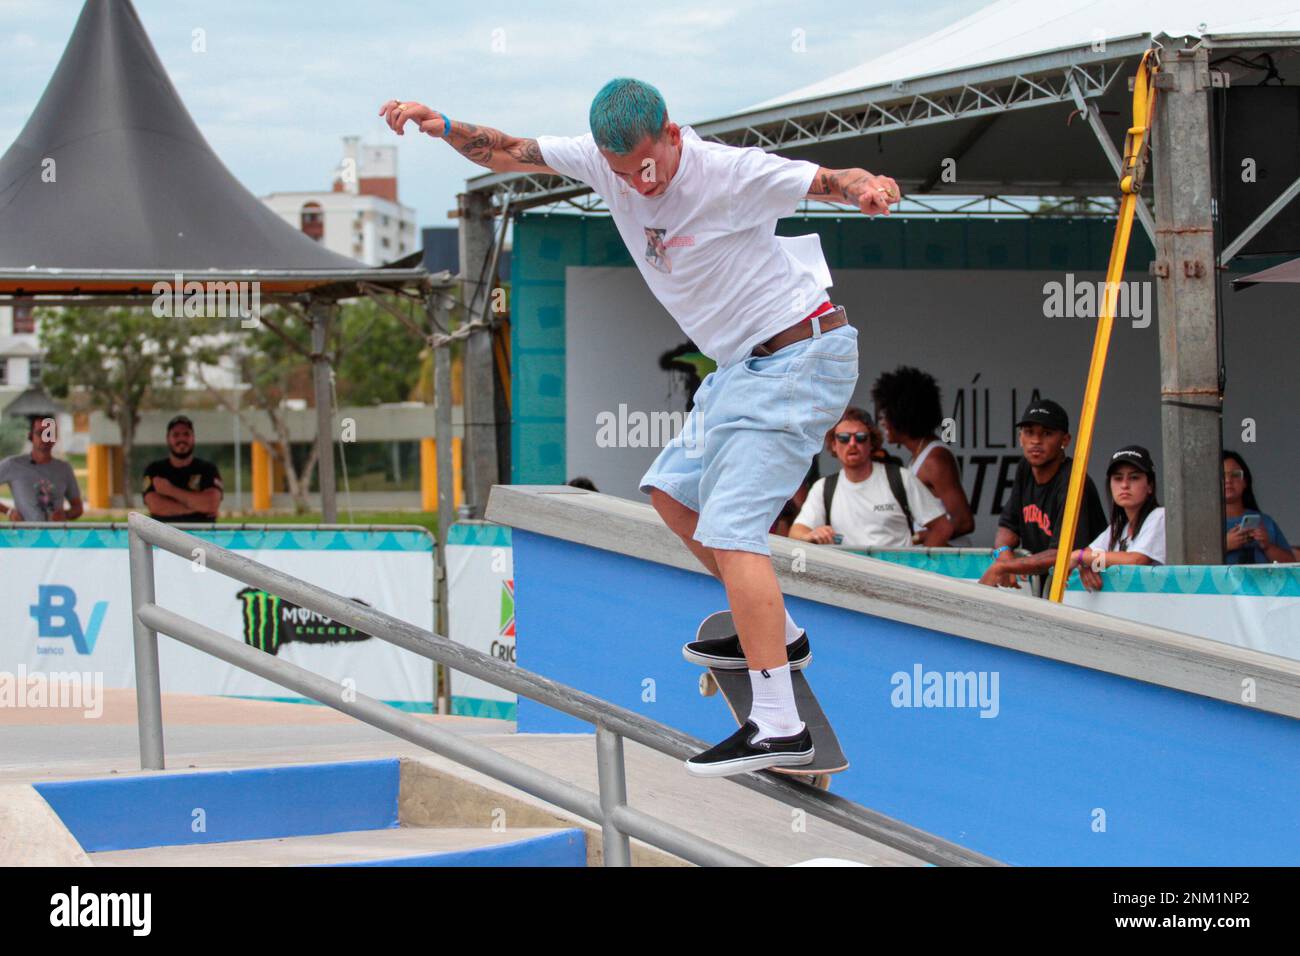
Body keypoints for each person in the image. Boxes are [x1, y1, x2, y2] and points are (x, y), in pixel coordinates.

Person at [380, 79, 902, 776]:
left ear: (673, 133)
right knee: (670, 493)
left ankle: (780, 724)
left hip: (800, 355)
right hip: (739, 371)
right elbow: (506, 151)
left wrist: (869, 190)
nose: (639, 185)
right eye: (622, 174)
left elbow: (833, 180)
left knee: (731, 529)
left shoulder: (728, 171)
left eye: (648, 168)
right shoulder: (601, 162)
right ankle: (781, 635)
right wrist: (441, 123)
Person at [978, 400, 1107, 593]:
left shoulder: (1074, 482)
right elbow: (1008, 526)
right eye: (1029, 432)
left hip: (1089, 589)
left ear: (1065, 440)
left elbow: (1062, 554)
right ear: (1020, 437)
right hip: (1050, 588)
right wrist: (1003, 553)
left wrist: (1005, 567)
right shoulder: (1025, 468)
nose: (1036, 441)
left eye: (1047, 433)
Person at [790, 408, 952, 548]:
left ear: (872, 443)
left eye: (860, 437)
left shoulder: (901, 478)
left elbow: (942, 527)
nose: (852, 444)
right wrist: (811, 535)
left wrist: (922, 566)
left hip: (898, 578)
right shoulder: (823, 487)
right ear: (833, 444)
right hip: (846, 579)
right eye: (844, 438)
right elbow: (796, 532)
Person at [871, 365, 975, 544]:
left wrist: (918, 539)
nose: (882, 423)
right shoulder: (919, 456)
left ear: (902, 414)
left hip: (944, 562)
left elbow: (964, 522)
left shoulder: (935, 459)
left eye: (884, 416)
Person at [1075, 445, 1165, 591]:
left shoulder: (1160, 516)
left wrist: (1081, 558)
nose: (1124, 485)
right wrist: (1085, 562)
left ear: (1150, 485)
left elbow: (1135, 560)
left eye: (1134, 478)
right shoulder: (1117, 527)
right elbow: (1088, 554)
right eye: (1117, 478)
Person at [0, 415, 83, 522]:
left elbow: (77, 508)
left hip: (55, 537)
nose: (46, 438)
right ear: (30, 436)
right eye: (40, 433)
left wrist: (65, 515)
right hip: (26, 536)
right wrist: (8, 511)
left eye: (50, 434)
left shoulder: (64, 468)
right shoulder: (13, 464)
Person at [142, 415, 223, 523]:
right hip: (162, 536)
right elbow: (156, 506)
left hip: (201, 536)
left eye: (186, 434)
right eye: (176, 435)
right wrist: (198, 509)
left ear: (193, 438)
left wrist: (170, 490)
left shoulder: (208, 469)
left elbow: (211, 503)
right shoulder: (154, 470)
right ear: (168, 438)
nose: (181, 439)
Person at [1222, 450, 1293, 564]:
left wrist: (1267, 546)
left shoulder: (1265, 522)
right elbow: (1189, 568)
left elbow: (1292, 566)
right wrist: (1224, 545)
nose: (1228, 481)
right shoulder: (1205, 525)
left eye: (1235, 475)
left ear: (1245, 481)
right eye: (1221, 475)